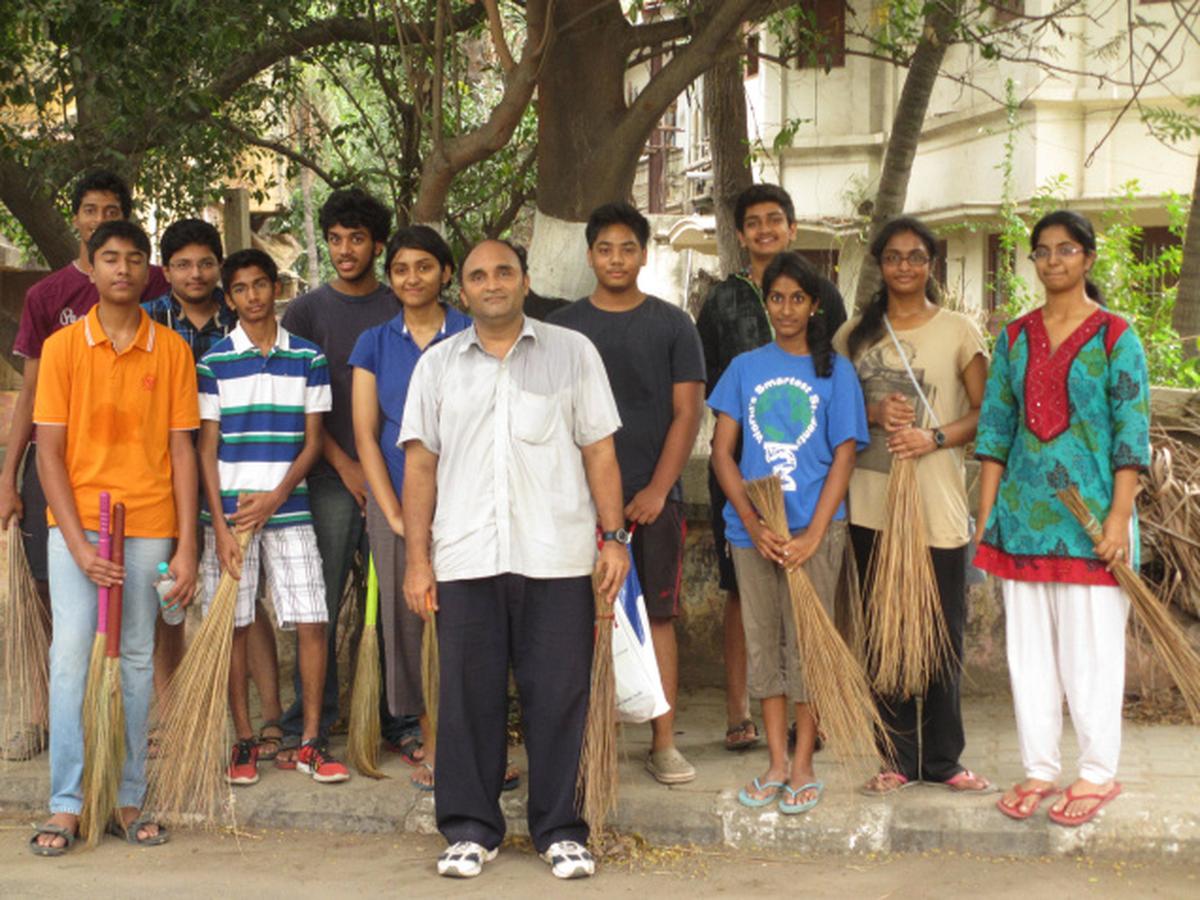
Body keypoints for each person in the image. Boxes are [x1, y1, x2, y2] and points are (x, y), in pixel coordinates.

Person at [400, 239, 628, 880]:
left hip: (556, 555)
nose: (492, 283)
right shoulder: (438, 366)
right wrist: (418, 562)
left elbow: (600, 453)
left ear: (525, 282)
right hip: (467, 557)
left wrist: (615, 539)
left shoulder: (573, 353)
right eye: (478, 275)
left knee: (558, 695)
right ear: (461, 289)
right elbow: (421, 467)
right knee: (468, 699)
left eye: (504, 271)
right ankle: (472, 829)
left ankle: (561, 829)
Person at [975, 210, 1150, 826]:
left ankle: (1098, 773)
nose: (1053, 261)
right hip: (1023, 518)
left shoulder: (1115, 336)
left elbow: (1132, 432)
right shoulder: (1014, 337)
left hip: (1092, 522)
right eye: (1043, 252)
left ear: (1088, 258)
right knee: (1030, 654)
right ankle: (1040, 768)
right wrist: (987, 514)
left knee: (1092, 652)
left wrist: (1117, 519)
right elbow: (995, 429)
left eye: (1066, 250)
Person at [29, 220, 197, 854]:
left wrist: (186, 543)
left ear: (147, 271)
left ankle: (128, 796)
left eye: (133, 259)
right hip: (77, 527)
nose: (122, 269)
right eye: (109, 258)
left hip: (150, 523)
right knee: (71, 656)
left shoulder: (173, 351)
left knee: (133, 660)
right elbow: (49, 455)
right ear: (91, 269)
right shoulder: (64, 348)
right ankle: (68, 802)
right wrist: (76, 546)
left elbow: (182, 452)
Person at [0, 170, 168, 762]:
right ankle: (51, 729)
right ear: (77, 222)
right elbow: (34, 397)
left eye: (113, 209)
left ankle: (140, 749)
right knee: (65, 624)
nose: (101, 219)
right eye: (91, 211)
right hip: (66, 474)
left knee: (138, 639)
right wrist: (8, 475)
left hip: (146, 497)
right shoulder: (48, 301)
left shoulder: (156, 297)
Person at [832, 216, 991, 794]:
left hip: (937, 506)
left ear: (931, 264)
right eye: (894, 257)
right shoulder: (853, 335)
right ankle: (894, 758)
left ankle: (944, 760)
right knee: (885, 634)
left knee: (942, 633)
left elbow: (986, 414)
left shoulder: (958, 330)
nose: (905, 267)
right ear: (881, 264)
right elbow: (832, 413)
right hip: (871, 506)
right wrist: (874, 416)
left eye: (916, 257)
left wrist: (935, 437)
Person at [550, 202, 705, 785]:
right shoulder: (562, 327)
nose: (616, 259)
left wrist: (660, 490)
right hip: (576, 504)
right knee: (579, 620)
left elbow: (687, 414)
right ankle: (595, 742)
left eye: (628, 248)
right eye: (605, 248)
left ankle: (663, 740)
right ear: (589, 255)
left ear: (645, 254)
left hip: (650, 501)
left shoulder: (673, 325)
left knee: (656, 616)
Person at [709, 252, 868, 814]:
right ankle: (774, 762)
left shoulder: (836, 371)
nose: (785, 309)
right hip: (754, 533)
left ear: (814, 304)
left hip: (815, 532)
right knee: (764, 646)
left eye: (796, 298)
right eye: (776, 298)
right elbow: (722, 454)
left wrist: (812, 535)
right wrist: (753, 523)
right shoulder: (744, 368)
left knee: (809, 650)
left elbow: (845, 457)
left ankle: (803, 763)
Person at [197, 248, 347, 786]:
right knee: (233, 625)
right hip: (232, 518)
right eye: (241, 289)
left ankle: (308, 740)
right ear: (229, 297)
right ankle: (243, 740)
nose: (253, 297)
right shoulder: (213, 363)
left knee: (312, 618)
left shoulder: (307, 357)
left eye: (262, 285)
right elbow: (205, 450)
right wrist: (220, 524)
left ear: (276, 288)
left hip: (291, 510)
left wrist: (278, 495)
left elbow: (312, 444)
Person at [278, 187, 408, 760]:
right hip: (330, 475)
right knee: (321, 602)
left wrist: (376, 469)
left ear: (377, 244)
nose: (345, 249)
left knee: (397, 603)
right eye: (335, 239)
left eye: (357, 238)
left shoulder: (397, 304)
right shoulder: (306, 311)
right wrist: (344, 464)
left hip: (398, 477)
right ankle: (317, 715)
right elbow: (299, 401)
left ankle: (399, 718)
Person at [350, 226, 471, 787]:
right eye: (401, 268)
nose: (412, 278)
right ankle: (431, 737)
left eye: (424, 266)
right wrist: (394, 513)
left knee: (474, 620)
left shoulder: (473, 332)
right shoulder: (374, 343)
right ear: (390, 276)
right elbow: (366, 436)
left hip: (472, 503)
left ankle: (477, 740)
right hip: (396, 501)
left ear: (446, 273)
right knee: (409, 621)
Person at [141, 218, 258, 750]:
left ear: (220, 266)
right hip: (159, 472)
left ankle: (245, 718)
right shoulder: (147, 323)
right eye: (183, 265)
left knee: (237, 598)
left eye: (206, 263)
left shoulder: (240, 319)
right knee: (170, 594)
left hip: (229, 473)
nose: (196, 273)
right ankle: (170, 710)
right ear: (166, 272)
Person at [695, 184, 796, 752]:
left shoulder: (817, 291)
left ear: (791, 228)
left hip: (804, 461)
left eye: (774, 220)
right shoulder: (721, 301)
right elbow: (708, 382)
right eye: (753, 222)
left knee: (805, 586)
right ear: (738, 235)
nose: (764, 230)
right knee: (741, 589)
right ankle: (739, 712)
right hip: (737, 463)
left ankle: (812, 707)